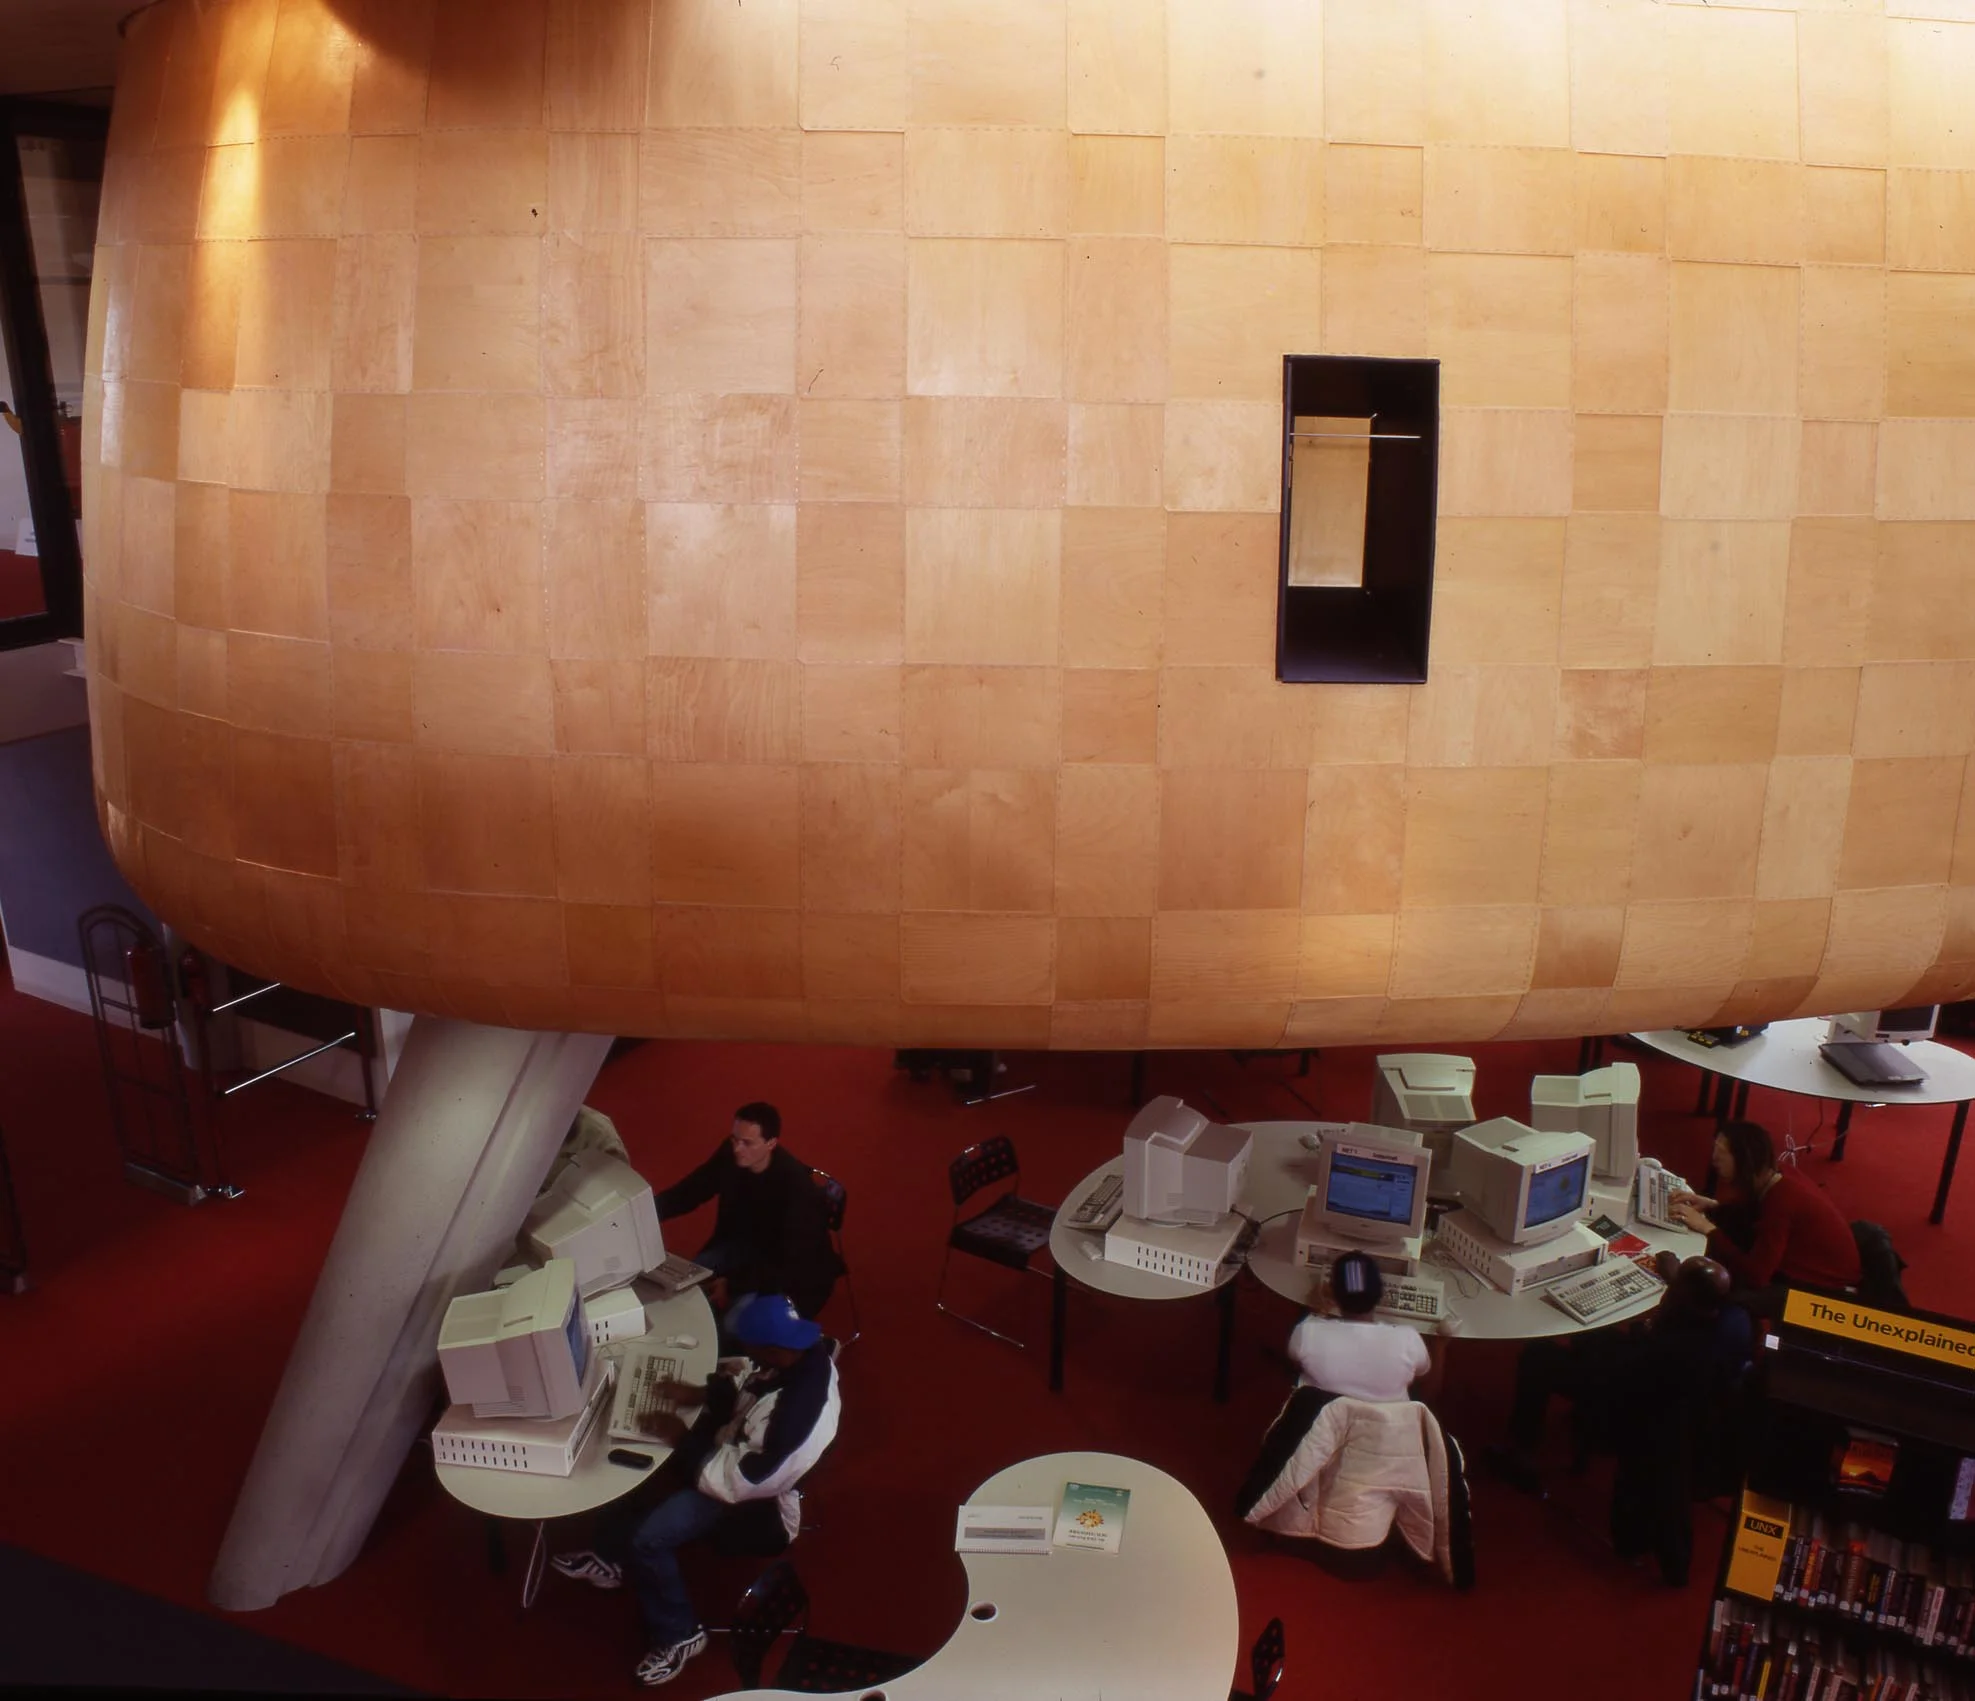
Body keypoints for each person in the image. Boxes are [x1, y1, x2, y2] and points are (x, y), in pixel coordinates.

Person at [550, 1294, 841, 1688]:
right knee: (634, 1463)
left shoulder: (798, 1419)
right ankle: (610, 1559)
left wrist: (681, 1441)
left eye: (751, 1347)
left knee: (650, 1539)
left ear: (773, 1348)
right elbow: (755, 1383)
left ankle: (680, 1634)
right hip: (731, 1456)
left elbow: (740, 1485)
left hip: (755, 1505)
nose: (747, 1353)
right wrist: (703, 1394)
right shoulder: (799, 1355)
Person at [655, 1103, 840, 1319]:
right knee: (685, 1285)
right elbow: (694, 1188)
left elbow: (791, 1260)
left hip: (782, 1265)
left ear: (771, 1143)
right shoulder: (732, 1154)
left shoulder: (797, 1190)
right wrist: (649, 1212)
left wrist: (734, 1285)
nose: (736, 1148)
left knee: (733, 1325)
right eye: (735, 1139)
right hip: (743, 1244)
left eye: (747, 1143)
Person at [1668, 1121, 1861, 1315]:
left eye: (1721, 1152)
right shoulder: (1777, 1174)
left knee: (1711, 1296)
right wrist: (1713, 1205)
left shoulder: (1782, 1202)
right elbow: (1753, 1207)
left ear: (1744, 1160)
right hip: (1820, 1264)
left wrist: (1707, 1228)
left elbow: (1756, 1276)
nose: (1714, 1159)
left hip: (1823, 1288)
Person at [1286, 1250, 1448, 1406]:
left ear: (1333, 1294)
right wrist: (1440, 1345)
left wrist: (1318, 1309)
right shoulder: (1408, 1340)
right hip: (1387, 1428)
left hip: (1327, 1426)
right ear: (1380, 1294)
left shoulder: (1307, 1334)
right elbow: (1429, 1391)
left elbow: (1296, 1363)